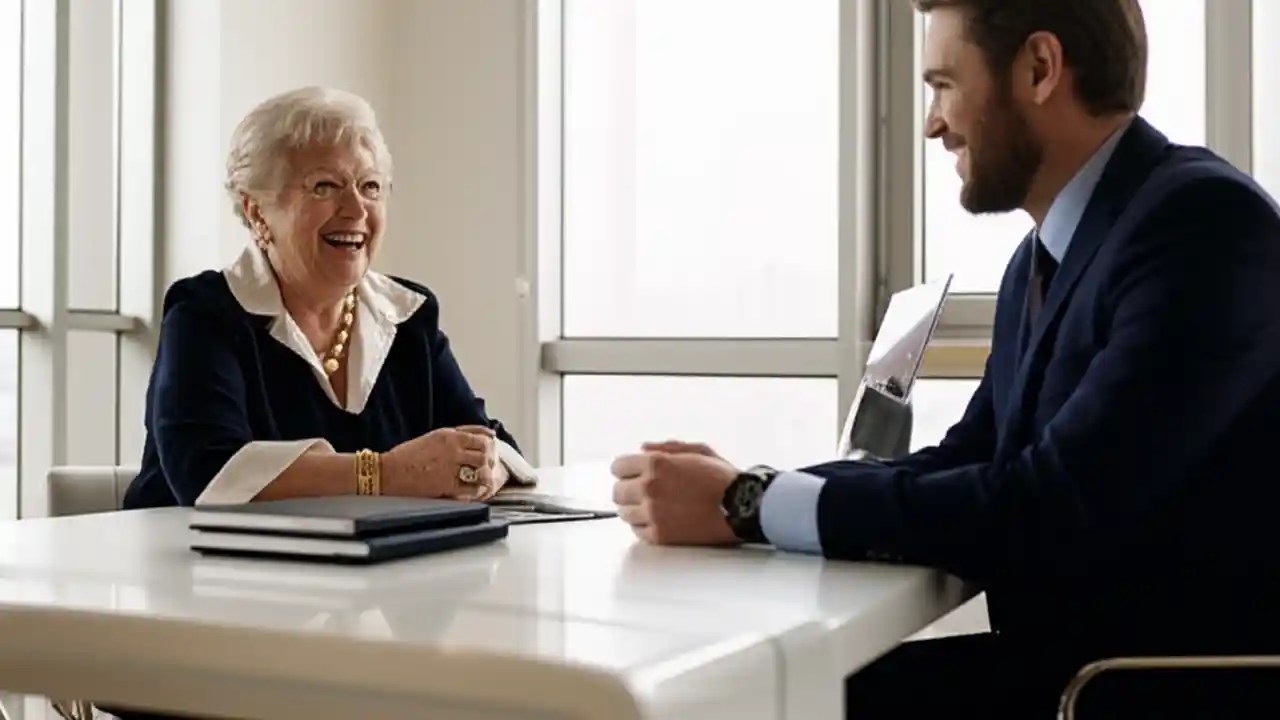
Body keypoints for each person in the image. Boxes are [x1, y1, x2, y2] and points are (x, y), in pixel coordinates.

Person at [610, 1, 1280, 717]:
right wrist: (747, 490)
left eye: (943, 84)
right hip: (1067, 667)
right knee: (758, 688)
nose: (931, 121)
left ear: (1039, 68)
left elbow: (1050, 509)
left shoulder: (1204, 225)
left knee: (755, 699)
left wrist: (749, 505)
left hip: (1146, 687)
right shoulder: (1043, 257)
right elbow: (968, 458)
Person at [124, 86, 531, 514]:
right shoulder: (206, 313)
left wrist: (483, 468)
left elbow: (494, 444)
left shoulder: (408, 317)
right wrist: (389, 473)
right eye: (325, 186)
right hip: (196, 570)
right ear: (257, 211)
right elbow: (206, 470)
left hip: (368, 573)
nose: (355, 208)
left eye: (370, 186)